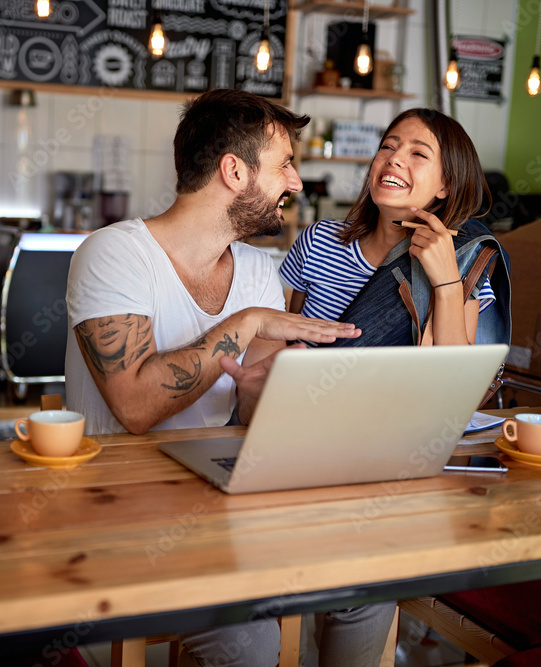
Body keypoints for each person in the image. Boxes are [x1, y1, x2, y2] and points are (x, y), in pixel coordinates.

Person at [66, 88, 395, 666]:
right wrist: (246, 324)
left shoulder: (257, 269)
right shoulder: (113, 253)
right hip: (121, 513)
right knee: (248, 642)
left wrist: (294, 389)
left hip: (221, 502)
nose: (295, 182)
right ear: (234, 171)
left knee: (369, 589)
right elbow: (137, 405)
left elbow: (259, 406)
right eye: (285, 164)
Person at [280, 108, 511, 352]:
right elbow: (290, 342)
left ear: (446, 185)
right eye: (388, 147)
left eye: (419, 153)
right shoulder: (318, 241)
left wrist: (447, 283)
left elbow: (459, 378)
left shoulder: (461, 261)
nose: (394, 158)